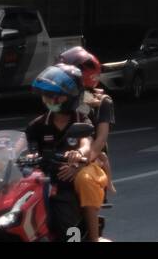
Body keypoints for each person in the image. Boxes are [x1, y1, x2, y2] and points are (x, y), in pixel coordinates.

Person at [25, 63, 91, 242]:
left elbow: (86, 144)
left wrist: (78, 155)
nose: (48, 100)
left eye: (54, 96)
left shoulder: (81, 121)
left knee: (68, 226)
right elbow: (25, 147)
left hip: (64, 183)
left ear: (70, 97)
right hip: (37, 182)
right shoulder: (36, 125)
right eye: (45, 96)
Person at [58, 46, 115, 242]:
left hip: (92, 159)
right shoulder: (62, 98)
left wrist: (81, 161)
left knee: (83, 179)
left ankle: (93, 237)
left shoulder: (102, 101)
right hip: (62, 155)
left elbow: (100, 139)